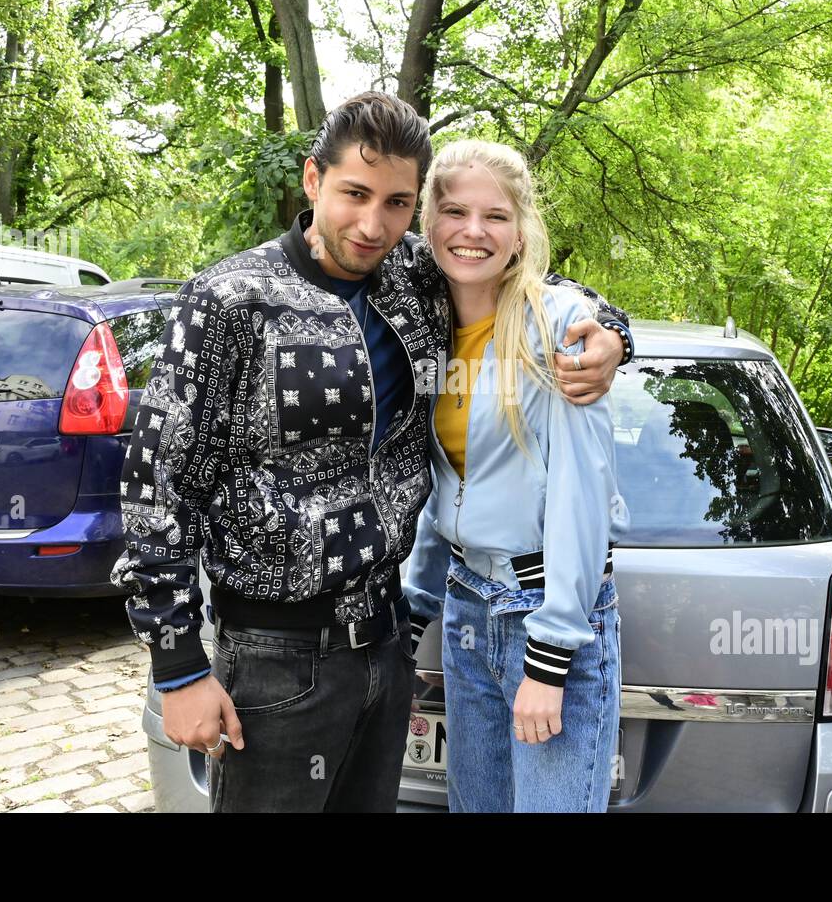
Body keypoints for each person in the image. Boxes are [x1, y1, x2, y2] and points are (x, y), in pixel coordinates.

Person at [110, 92, 634, 811]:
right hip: (274, 657)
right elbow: (156, 489)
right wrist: (175, 666)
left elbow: (527, 284)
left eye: (395, 203)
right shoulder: (230, 300)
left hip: (389, 648)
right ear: (312, 180)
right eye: (355, 193)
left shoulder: (413, 280)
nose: (371, 222)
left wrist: (610, 334)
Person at [403, 140, 630, 812]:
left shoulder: (558, 327)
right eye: (455, 211)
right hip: (468, 610)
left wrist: (551, 659)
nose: (474, 232)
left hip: (546, 615)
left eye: (495, 216)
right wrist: (415, 612)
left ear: (521, 228)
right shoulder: (424, 328)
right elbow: (439, 487)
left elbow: (582, 500)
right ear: (429, 223)